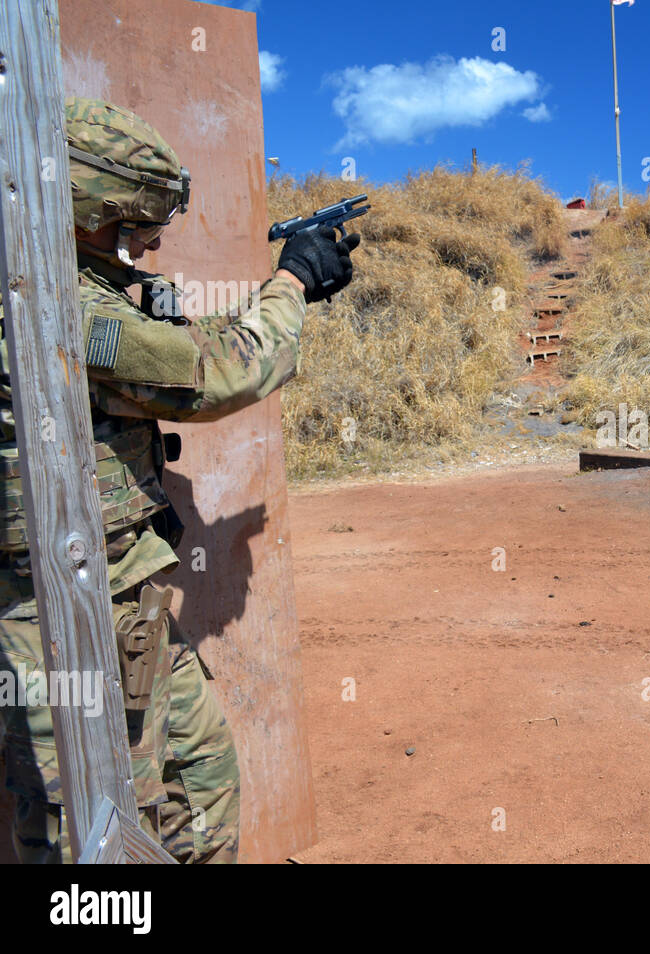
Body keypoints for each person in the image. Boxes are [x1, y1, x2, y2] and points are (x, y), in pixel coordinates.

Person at [0, 97, 359, 863]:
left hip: (114, 596)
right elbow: (214, 374)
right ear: (90, 210)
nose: (151, 243)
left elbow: (180, 347)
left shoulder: (59, 284)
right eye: (137, 225)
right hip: (57, 613)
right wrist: (293, 282)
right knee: (86, 828)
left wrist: (282, 291)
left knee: (199, 778)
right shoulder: (52, 304)